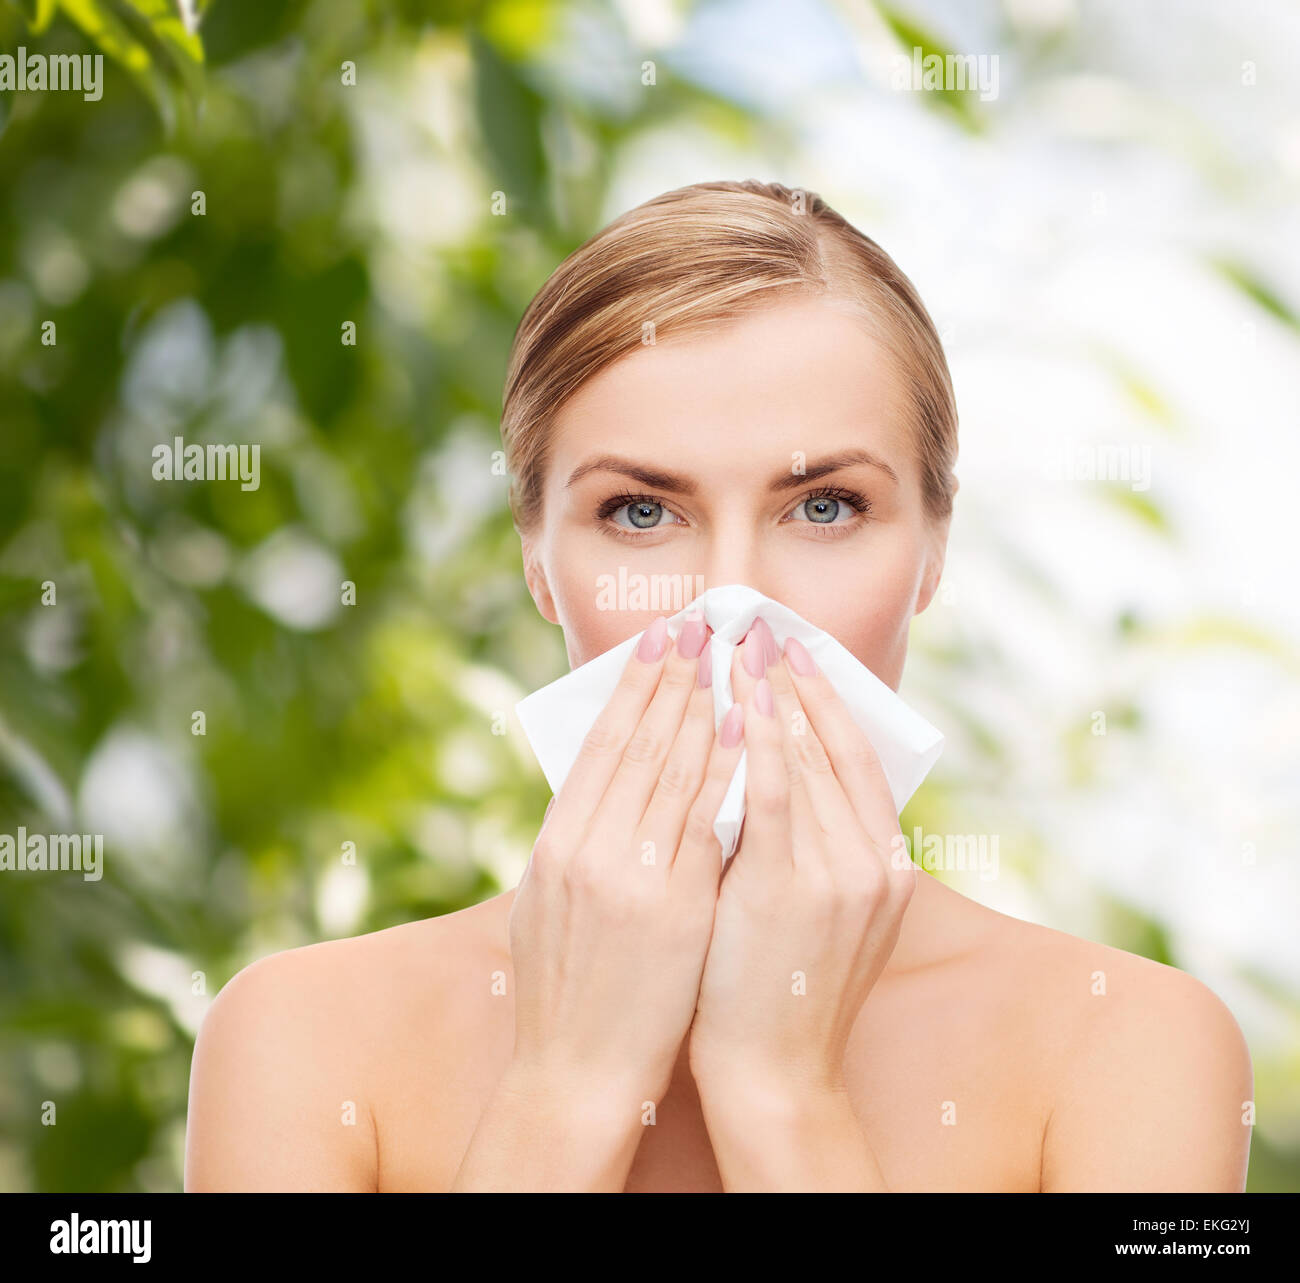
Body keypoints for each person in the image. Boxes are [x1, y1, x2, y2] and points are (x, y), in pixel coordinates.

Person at [184, 180, 1252, 1192]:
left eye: (825, 506)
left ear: (931, 548)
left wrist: (780, 1090)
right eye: (641, 512)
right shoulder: (300, 1038)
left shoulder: (1134, 1044)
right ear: (536, 560)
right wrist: (568, 1087)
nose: (732, 602)